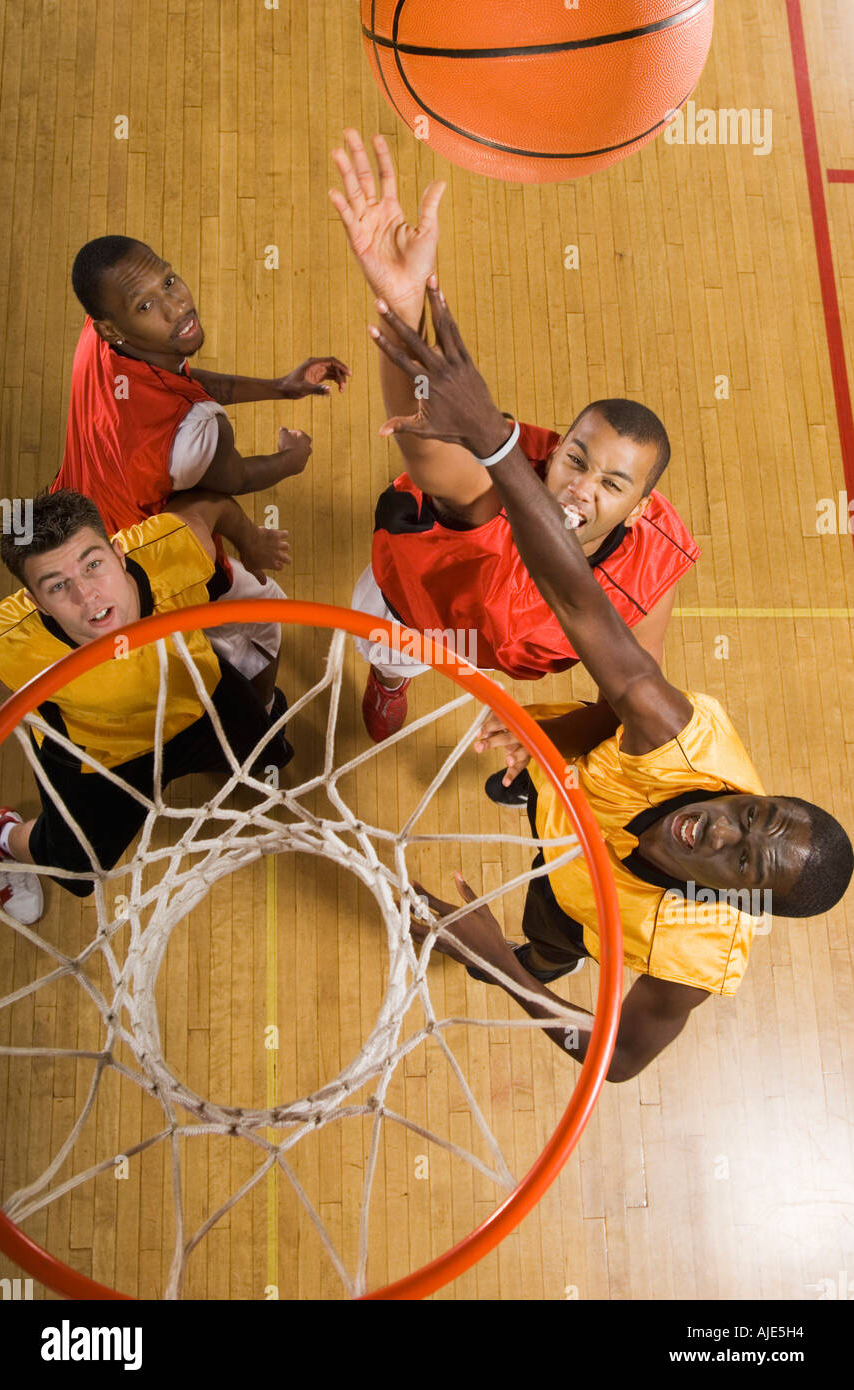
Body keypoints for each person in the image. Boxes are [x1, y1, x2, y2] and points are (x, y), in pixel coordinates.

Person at [368, 280, 854, 1082]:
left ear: (742, 900)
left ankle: (532, 950)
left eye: (743, 861)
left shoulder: (696, 957)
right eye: (752, 813)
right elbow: (577, 601)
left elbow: (619, 1060)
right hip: (581, 793)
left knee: (547, 938)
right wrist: (490, 441)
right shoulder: (678, 738)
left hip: (584, 898)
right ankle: (530, 786)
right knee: (542, 796)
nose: (721, 829)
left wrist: (497, 962)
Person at [329, 131, 699, 754]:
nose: (582, 486)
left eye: (612, 484)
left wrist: (549, 737)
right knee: (394, 650)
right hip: (423, 605)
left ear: (639, 512)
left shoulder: (650, 567)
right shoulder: (494, 483)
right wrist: (402, 301)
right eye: (577, 460)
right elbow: (423, 440)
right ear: (552, 455)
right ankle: (392, 678)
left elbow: (630, 689)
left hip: (516, 646)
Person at [51, 235, 350, 705]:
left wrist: (279, 387)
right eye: (148, 304)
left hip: (78, 520)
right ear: (113, 328)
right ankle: (258, 722)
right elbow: (234, 482)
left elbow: (179, 382)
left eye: (169, 281)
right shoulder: (196, 434)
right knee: (261, 621)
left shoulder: (101, 337)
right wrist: (292, 461)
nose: (176, 307)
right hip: (144, 565)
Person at [0, 489, 293, 926]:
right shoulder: (10, 644)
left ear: (117, 553)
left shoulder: (171, 549)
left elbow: (210, 507)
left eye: (93, 565)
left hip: (197, 704)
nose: (87, 597)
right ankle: (3, 836)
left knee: (267, 754)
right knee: (75, 870)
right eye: (58, 586)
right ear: (37, 603)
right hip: (100, 757)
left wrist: (249, 539)